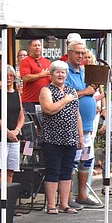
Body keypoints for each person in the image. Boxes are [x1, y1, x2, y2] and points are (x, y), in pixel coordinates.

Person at [39, 61, 83, 214]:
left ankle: (64, 204)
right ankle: (51, 205)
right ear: (51, 74)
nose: (60, 74)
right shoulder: (46, 90)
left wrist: (80, 136)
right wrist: (65, 100)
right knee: (53, 170)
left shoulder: (72, 91)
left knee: (67, 170)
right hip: (52, 138)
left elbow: (77, 115)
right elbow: (49, 109)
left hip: (70, 137)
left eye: (63, 72)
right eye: (57, 72)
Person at [65, 40, 103, 209]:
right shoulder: (65, 71)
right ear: (70, 53)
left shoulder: (84, 71)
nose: (81, 56)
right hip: (73, 126)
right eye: (78, 53)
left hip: (88, 127)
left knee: (86, 161)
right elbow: (64, 94)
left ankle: (82, 195)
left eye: (83, 53)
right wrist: (86, 92)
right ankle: (67, 197)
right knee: (72, 162)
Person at [0, 64, 24, 184]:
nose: (9, 78)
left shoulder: (17, 93)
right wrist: (7, 132)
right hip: (0, 137)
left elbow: (21, 115)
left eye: (11, 76)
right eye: (6, 76)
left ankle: (9, 193)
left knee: (10, 171)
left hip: (14, 138)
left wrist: (17, 130)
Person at [19, 39, 53, 114]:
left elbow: (52, 78)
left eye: (39, 45)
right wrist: (41, 75)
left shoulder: (47, 62)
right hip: (30, 100)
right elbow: (25, 78)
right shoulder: (25, 61)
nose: (37, 47)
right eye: (35, 45)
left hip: (46, 99)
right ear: (30, 48)